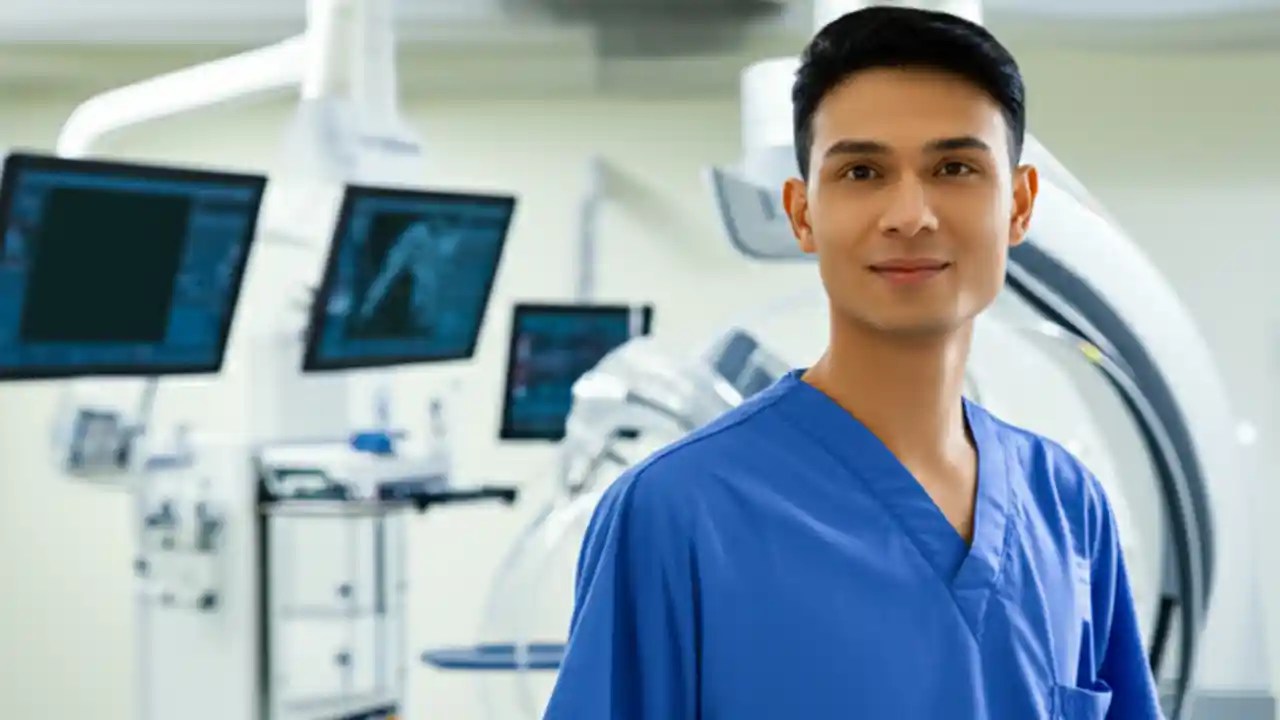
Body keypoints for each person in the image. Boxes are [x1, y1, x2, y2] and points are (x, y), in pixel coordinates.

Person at [542, 6, 1164, 720]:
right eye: (863, 171)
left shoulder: (1067, 507)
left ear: (1019, 205)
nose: (910, 214)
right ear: (802, 212)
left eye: (955, 167)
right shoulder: (676, 515)